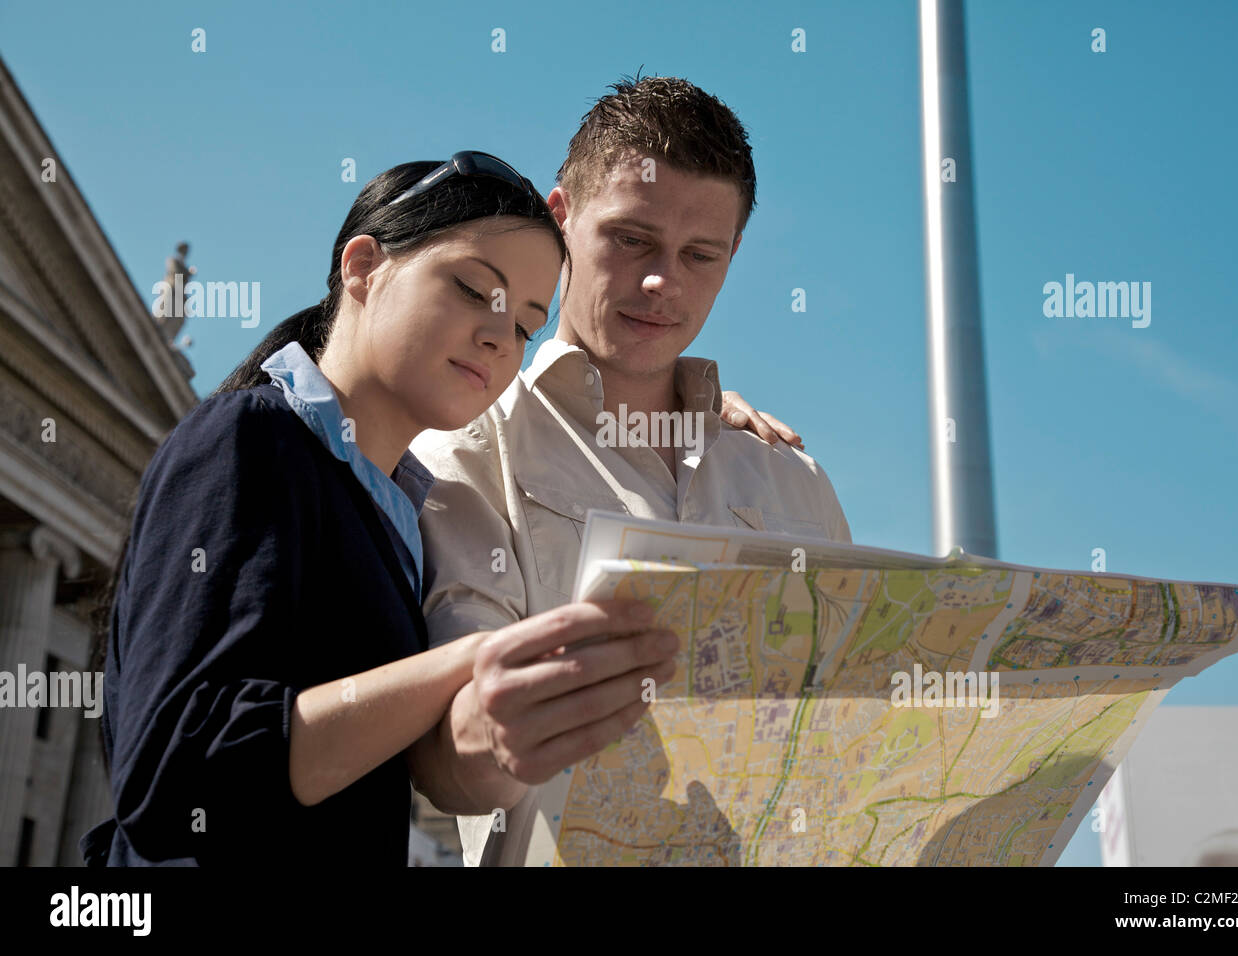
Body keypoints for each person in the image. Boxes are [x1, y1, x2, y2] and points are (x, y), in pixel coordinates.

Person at [79, 152, 677, 866]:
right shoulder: (251, 438)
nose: (499, 338)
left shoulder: (402, 515)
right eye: (471, 288)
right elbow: (176, 774)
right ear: (362, 265)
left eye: (525, 325)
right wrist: (470, 662)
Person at [408, 77, 853, 866]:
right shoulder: (463, 450)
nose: (663, 283)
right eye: (632, 240)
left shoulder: (791, 480)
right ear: (561, 218)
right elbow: (458, 764)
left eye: (700, 255)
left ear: (734, 255)